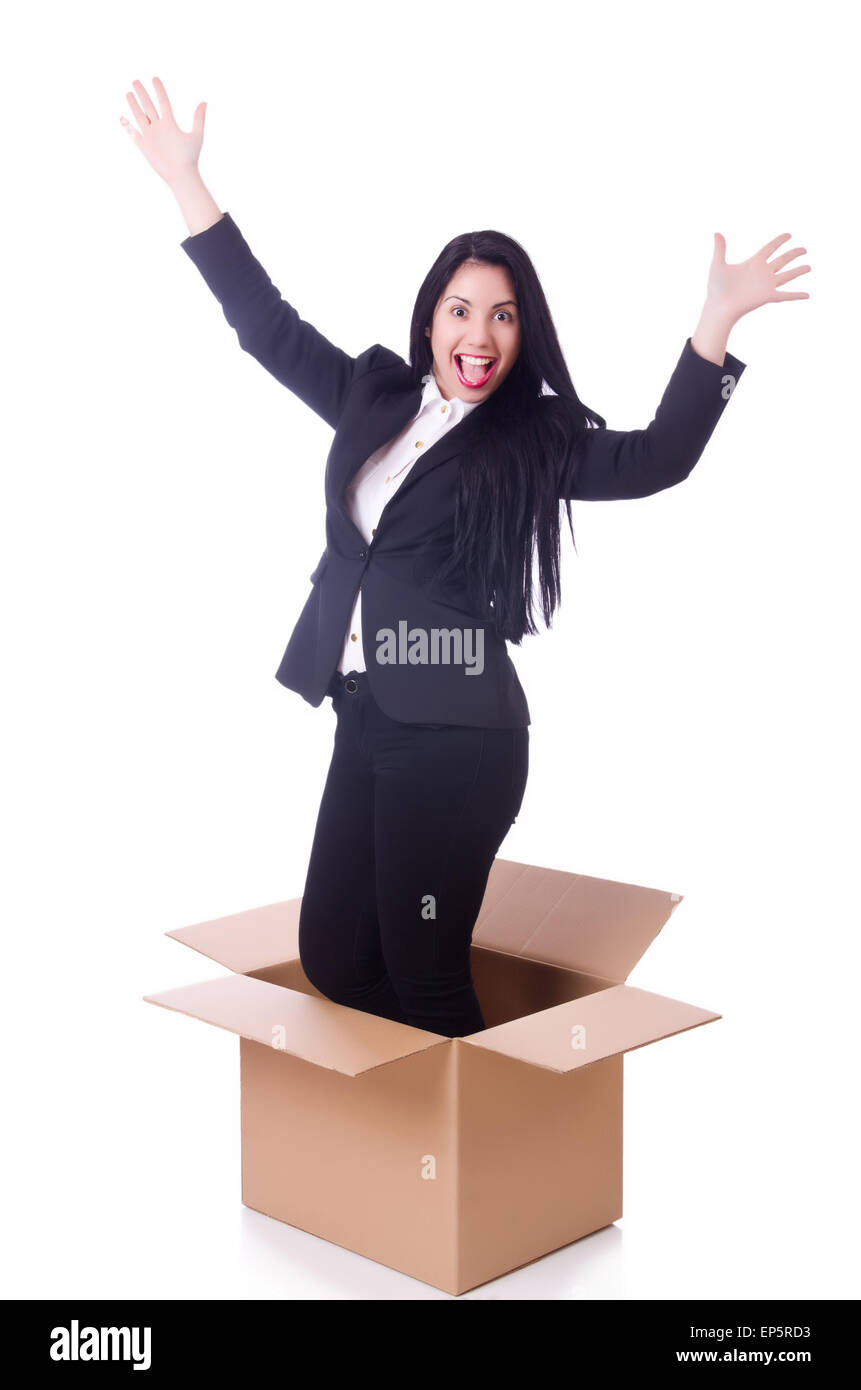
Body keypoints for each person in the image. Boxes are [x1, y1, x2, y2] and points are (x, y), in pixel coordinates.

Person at [121, 77, 811, 1039]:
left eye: (500, 316)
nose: (476, 335)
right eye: (459, 310)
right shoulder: (373, 397)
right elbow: (265, 326)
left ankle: (475, 1170)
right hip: (364, 713)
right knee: (334, 957)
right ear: (431, 319)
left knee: (424, 967)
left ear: (521, 333)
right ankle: (405, 1144)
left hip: (458, 739)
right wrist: (187, 186)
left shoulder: (531, 442)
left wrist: (714, 327)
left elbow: (658, 460)